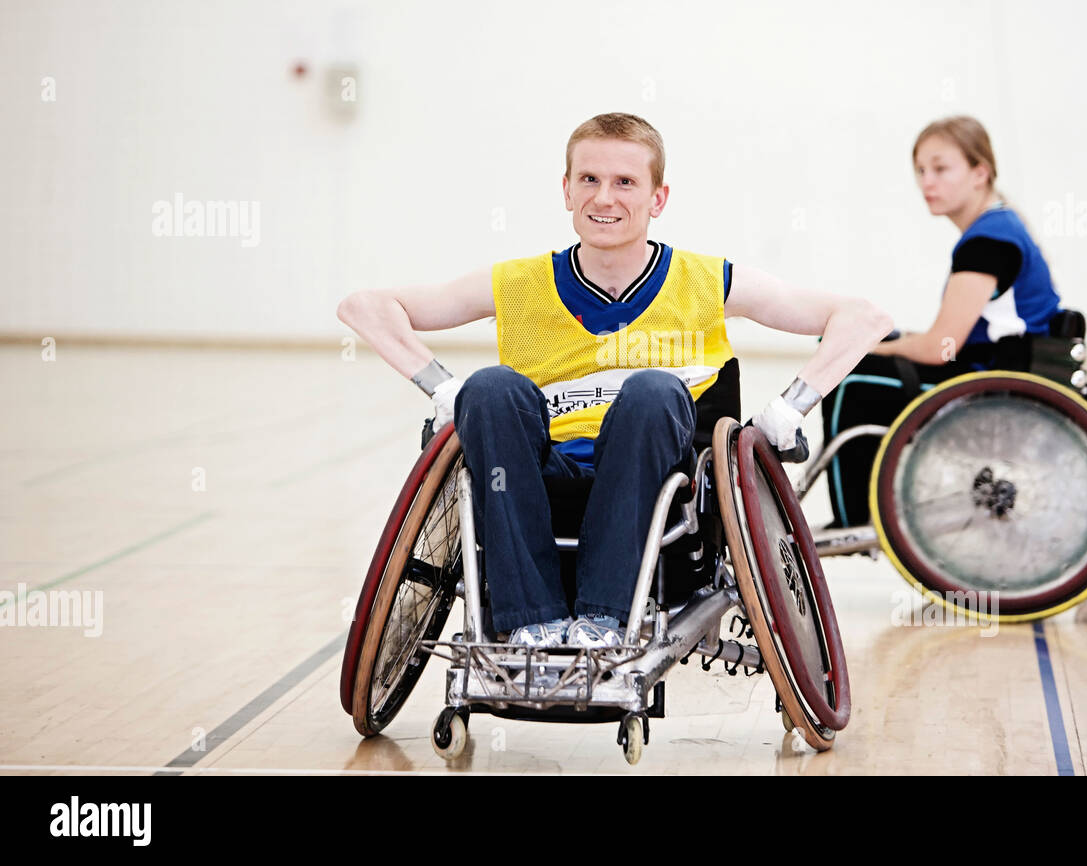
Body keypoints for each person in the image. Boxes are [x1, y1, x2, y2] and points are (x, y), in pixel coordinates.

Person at [339, 112, 892, 649]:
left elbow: (865, 318)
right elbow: (365, 306)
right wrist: (441, 387)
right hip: (541, 469)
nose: (604, 198)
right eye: (589, 180)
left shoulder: (707, 281)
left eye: (625, 182)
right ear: (566, 190)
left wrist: (791, 408)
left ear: (658, 198)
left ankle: (606, 616)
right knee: (487, 387)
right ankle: (531, 620)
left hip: (659, 477)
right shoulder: (518, 283)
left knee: (652, 389)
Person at [821, 115, 1062, 528]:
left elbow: (940, 347)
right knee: (860, 350)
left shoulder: (989, 242)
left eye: (940, 168)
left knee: (850, 375)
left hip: (999, 384)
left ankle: (857, 519)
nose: (926, 182)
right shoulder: (997, 228)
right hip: (999, 367)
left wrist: (875, 346)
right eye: (920, 170)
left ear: (979, 173)